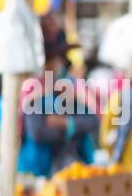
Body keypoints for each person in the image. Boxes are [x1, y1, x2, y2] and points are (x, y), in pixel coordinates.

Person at [19, 24, 100, 175]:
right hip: (38, 169)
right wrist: (70, 131)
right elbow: (38, 132)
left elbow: (93, 121)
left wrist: (65, 123)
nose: (51, 66)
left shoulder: (73, 88)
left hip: (73, 168)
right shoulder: (33, 92)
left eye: (54, 60)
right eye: (47, 61)